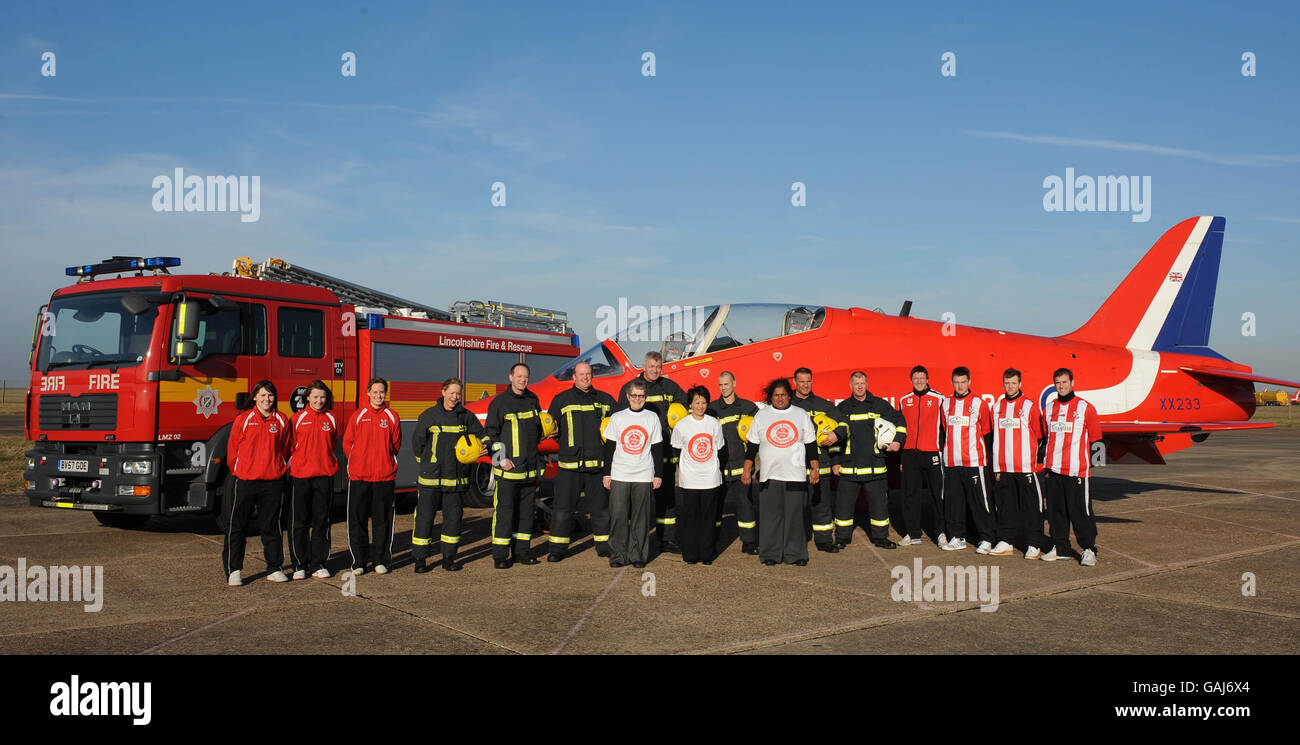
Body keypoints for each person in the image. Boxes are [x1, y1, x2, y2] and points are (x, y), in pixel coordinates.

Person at [411, 377, 486, 573]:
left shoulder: (466, 416)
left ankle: (448, 558)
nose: (454, 397)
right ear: (443, 392)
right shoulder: (429, 416)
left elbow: (481, 435)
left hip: (456, 478)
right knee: (424, 518)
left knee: (453, 519)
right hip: (430, 478)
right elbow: (417, 443)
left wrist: (485, 447)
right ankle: (420, 559)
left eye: (458, 394)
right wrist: (427, 463)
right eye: (451, 393)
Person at [742, 378, 818, 566]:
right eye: (776, 395)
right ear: (770, 397)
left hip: (796, 475)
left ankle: (796, 553)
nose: (780, 398)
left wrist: (814, 469)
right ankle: (770, 553)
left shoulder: (800, 414)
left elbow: (811, 446)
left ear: (789, 396)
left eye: (783, 394)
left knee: (795, 516)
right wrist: (747, 471)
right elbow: (752, 446)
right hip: (770, 475)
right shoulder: (762, 416)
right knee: (770, 517)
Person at [223, 379, 292, 586]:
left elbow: (286, 449)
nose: (266, 399)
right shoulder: (243, 419)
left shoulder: (281, 420)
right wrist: (240, 470)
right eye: (262, 395)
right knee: (237, 526)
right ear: (254, 397)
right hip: (245, 481)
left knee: (271, 526)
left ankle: (274, 567)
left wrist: (278, 469)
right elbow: (232, 450)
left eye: (270, 395)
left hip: (272, 483)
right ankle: (234, 570)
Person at [617, 352, 686, 553]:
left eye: (658, 367)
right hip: (640, 455)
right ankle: (634, 538)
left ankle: (667, 539)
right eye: (651, 366)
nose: (655, 370)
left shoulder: (671, 388)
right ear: (644, 366)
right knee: (637, 500)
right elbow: (621, 418)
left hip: (666, 451)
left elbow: (683, 410)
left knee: (667, 498)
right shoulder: (631, 388)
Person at [547, 361, 617, 561]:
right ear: (574, 377)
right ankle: (557, 549)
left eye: (588, 374)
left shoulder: (605, 400)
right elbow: (549, 427)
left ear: (592, 376)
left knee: (601, 510)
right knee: (563, 509)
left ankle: (604, 546)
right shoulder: (561, 400)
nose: (585, 377)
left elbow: (620, 423)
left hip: (597, 466)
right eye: (581, 374)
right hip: (570, 467)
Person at [833, 371, 907, 548]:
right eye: (856, 383)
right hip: (849, 468)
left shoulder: (880, 405)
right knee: (843, 506)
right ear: (850, 385)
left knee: (879, 506)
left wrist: (898, 440)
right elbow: (836, 437)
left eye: (862, 383)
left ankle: (881, 538)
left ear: (867, 384)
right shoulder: (842, 408)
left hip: (875, 466)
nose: (859, 386)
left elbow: (900, 421)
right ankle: (842, 538)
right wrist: (835, 460)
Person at [1040, 368, 1103, 566]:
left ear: (1072, 382)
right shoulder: (1048, 409)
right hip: (1053, 470)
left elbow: (1096, 439)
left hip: (1076, 471)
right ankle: (1061, 548)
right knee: (1056, 513)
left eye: (1064, 382)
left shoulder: (1085, 408)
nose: (1061, 386)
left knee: (1081, 513)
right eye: (1058, 383)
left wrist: (1091, 468)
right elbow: (1045, 437)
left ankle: (1088, 549)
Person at [485, 363, 544, 569]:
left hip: (528, 470)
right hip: (508, 472)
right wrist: (500, 459)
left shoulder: (533, 400)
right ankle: (500, 556)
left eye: (526, 377)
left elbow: (537, 433)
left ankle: (522, 552)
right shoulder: (499, 403)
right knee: (504, 513)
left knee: (526, 514)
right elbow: (489, 435)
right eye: (518, 376)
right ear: (510, 377)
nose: (522, 380)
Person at [343, 377, 402, 575]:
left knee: (382, 521)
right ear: (367, 393)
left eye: (382, 392)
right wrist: (359, 463)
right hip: (360, 477)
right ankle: (359, 562)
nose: (378, 396)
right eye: (375, 392)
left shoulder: (392, 417)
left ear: (386, 394)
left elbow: (395, 445)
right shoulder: (358, 416)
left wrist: (384, 461)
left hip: (384, 477)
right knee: (357, 520)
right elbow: (347, 444)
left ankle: (380, 560)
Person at [603, 379, 664, 568]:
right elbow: (610, 447)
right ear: (628, 396)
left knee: (641, 517)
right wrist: (607, 474)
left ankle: (637, 555)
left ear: (645, 397)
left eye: (641, 396)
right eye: (634, 395)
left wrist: (658, 474)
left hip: (643, 474)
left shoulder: (652, 417)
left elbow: (657, 448)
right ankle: (618, 555)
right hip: (620, 473)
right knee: (619, 515)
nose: (638, 399)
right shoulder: (617, 417)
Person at [990, 368, 1047, 558]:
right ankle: (1006, 541)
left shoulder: (1030, 406)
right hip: (1004, 467)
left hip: (1025, 467)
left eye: (1013, 383)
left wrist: (1029, 459)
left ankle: (1034, 543)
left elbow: (1039, 437)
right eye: (1007, 383)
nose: (1010, 386)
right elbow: (994, 437)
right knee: (1006, 507)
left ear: (1020, 384)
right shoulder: (997, 407)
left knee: (1031, 508)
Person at [790, 367, 848, 553]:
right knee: (794, 507)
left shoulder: (824, 405)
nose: (805, 385)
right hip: (793, 465)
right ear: (794, 382)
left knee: (821, 505)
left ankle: (824, 540)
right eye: (801, 382)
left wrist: (836, 435)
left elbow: (844, 423)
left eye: (808, 381)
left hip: (820, 465)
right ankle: (793, 542)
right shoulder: (786, 405)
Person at [287, 380, 339, 580]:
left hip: (324, 476)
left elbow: (332, 443)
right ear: (308, 397)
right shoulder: (297, 419)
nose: (319, 401)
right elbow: (289, 446)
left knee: (322, 521)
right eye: (315, 397)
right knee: (299, 522)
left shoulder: (331, 418)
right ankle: (299, 565)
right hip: (300, 476)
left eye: (323, 397)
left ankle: (319, 563)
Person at [939, 367, 994, 553]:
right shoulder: (946, 404)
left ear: (969, 382)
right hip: (952, 462)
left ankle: (987, 538)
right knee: (955, 501)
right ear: (952, 382)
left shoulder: (979, 404)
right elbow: (945, 431)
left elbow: (987, 432)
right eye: (956, 382)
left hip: (974, 461)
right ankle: (957, 537)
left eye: (963, 382)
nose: (960, 386)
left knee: (980, 501)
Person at [671, 386, 726, 565]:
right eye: (696, 402)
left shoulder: (713, 423)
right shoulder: (682, 424)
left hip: (710, 478)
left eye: (703, 403)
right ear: (690, 404)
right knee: (690, 517)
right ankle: (691, 553)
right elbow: (677, 449)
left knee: (708, 518)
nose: (700, 406)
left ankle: (707, 553)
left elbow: (718, 448)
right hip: (690, 479)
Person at [708, 371, 759, 555]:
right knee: (715, 507)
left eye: (726, 384)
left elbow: (758, 433)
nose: (723, 388)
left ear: (734, 383)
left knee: (745, 505)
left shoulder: (748, 407)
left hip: (741, 466)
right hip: (718, 468)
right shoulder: (711, 409)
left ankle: (749, 542)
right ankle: (712, 541)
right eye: (720, 385)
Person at [898, 365, 947, 546]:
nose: (919, 381)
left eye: (922, 378)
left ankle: (941, 533)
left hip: (933, 452)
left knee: (937, 494)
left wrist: (943, 451)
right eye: (915, 378)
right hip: (910, 454)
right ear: (911, 381)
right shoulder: (904, 400)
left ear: (927, 380)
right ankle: (913, 533)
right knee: (910, 494)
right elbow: (901, 429)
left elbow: (946, 428)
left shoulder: (939, 399)